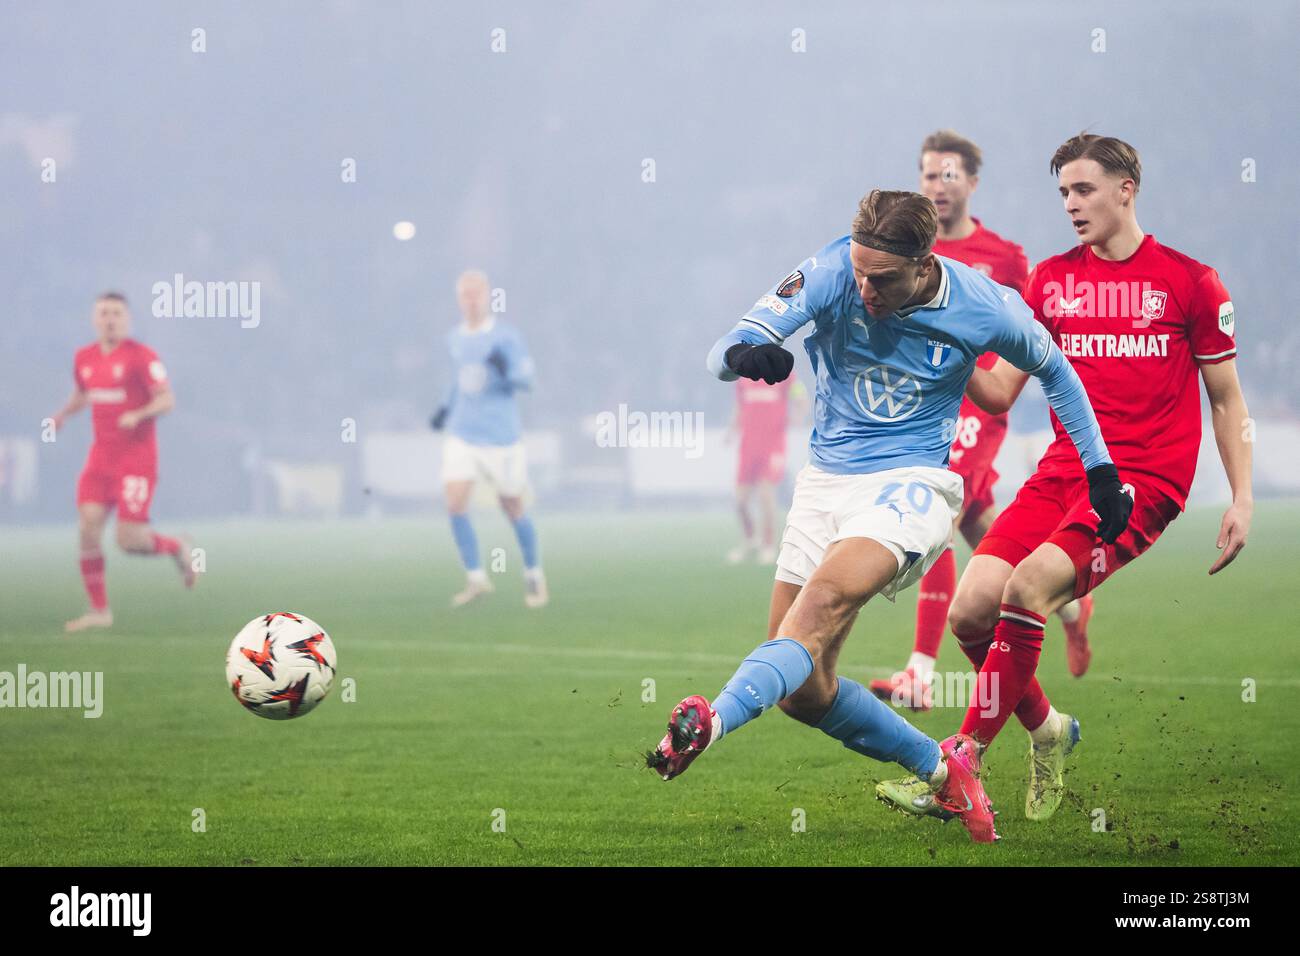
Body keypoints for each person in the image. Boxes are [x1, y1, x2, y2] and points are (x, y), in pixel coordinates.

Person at [644, 189, 1130, 843]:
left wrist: (1101, 474)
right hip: (823, 484)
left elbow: (1056, 371)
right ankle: (943, 769)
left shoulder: (981, 303)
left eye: (883, 279)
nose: (865, 289)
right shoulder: (830, 270)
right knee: (803, 691)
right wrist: (744, 356)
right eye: (860, 274)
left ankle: (712, 719)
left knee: (818, 608)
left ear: (925, 263)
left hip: (913, 485)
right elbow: (727, 345)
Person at [877, 133, 1251, 823]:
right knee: (970, 611)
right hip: (1062, 474)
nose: (1071, 205)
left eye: (1083, 190)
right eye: (1063, 194)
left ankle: (959, 761)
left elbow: (1226, 400)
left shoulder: (1191, 282)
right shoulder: (1050, 281)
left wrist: (1242, 498)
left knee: (1027, 588)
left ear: (1125, 190)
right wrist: (932, 339)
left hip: (1142, 483)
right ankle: (1048, 730)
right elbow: (998, 393)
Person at [871, 129, 1093, 711]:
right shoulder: (908, 253)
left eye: (948, 175)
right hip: (923, 406)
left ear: (971, 182)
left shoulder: (1006, 259)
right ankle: (1069, 604)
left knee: (933, 513)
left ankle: (920, 672)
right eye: (927, 174)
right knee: (979, 526)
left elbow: (1028, 333)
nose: (936, 186)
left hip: (977, 405)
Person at [51, 292, 192, 633]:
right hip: (100, 458)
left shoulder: (142, 357)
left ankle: (177, 545)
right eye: (104, 313)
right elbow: (83, 393)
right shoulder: (84, 357)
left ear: (127, 319)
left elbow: (167, 400)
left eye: (116, 313)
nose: (110, 319)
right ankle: (99, 610)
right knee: (88, 528)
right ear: (94, 319)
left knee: (128, 541)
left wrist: (139, 413)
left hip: (136, 460)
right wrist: (62, 415)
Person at [429, 270, 547, 609]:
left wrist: (506, 370)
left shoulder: (506, 338)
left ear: (487, 297)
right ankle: (476, 578)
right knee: (454, 503)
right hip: (463, 434)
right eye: (465, 294)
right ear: (458, 299)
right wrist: (443, 407)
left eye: (476, 294)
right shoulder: (454, 338)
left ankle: (533, 573)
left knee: (511, 506)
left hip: (500, 436)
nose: (471, 300)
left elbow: (527, 381)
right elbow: (456, 379)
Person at [726, 373, 808, 565]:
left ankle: (768, 545)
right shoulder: (743, 377)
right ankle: (750, 540)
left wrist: (797, 416)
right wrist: (731, 430)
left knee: (765, 495)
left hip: (773, 445)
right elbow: (739, 407)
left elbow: (800, 395)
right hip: (748, 446)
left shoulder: (782, 373)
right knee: (740, 501)